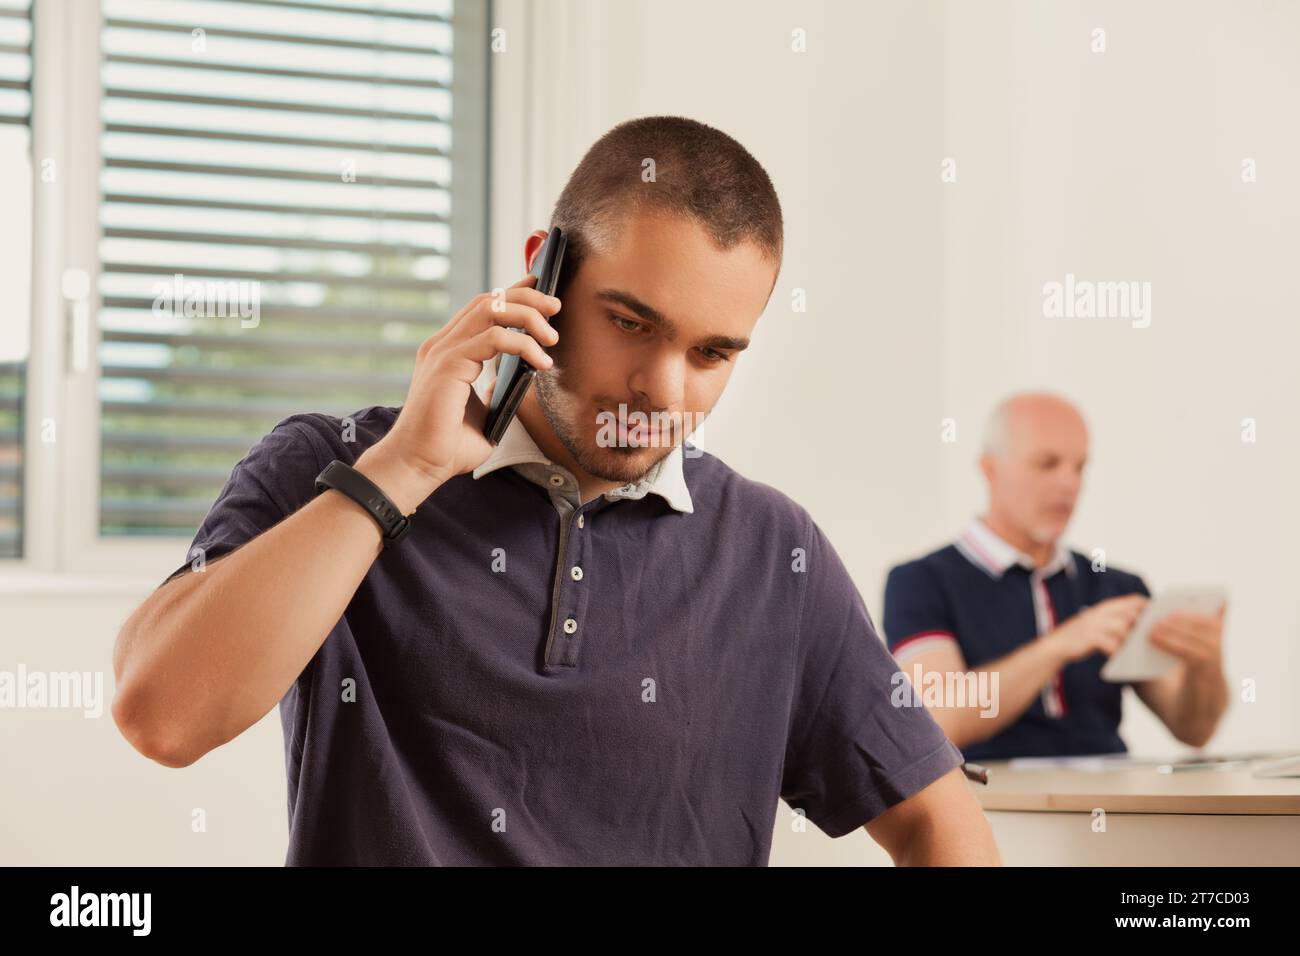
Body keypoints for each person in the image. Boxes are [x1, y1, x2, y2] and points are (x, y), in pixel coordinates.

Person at [112, 116, 999, 865]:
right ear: (545, 274)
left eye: (711, 353)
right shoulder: (334, 465)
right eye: (630, 322)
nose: (664, 389)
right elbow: (161, 716)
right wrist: (403, 473)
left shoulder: (773, 551)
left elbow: (935, 821)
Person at [883, 392, 1228, 761]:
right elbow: (939, 719)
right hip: (995, 807)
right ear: (990, 469)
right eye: (1047, 464)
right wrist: (1060, 644)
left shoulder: (1118, 588)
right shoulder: (920, 582)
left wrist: (1204, 663)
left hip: (1113, 805)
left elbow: (1193, 730)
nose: (1069, 483)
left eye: (1079, 467)